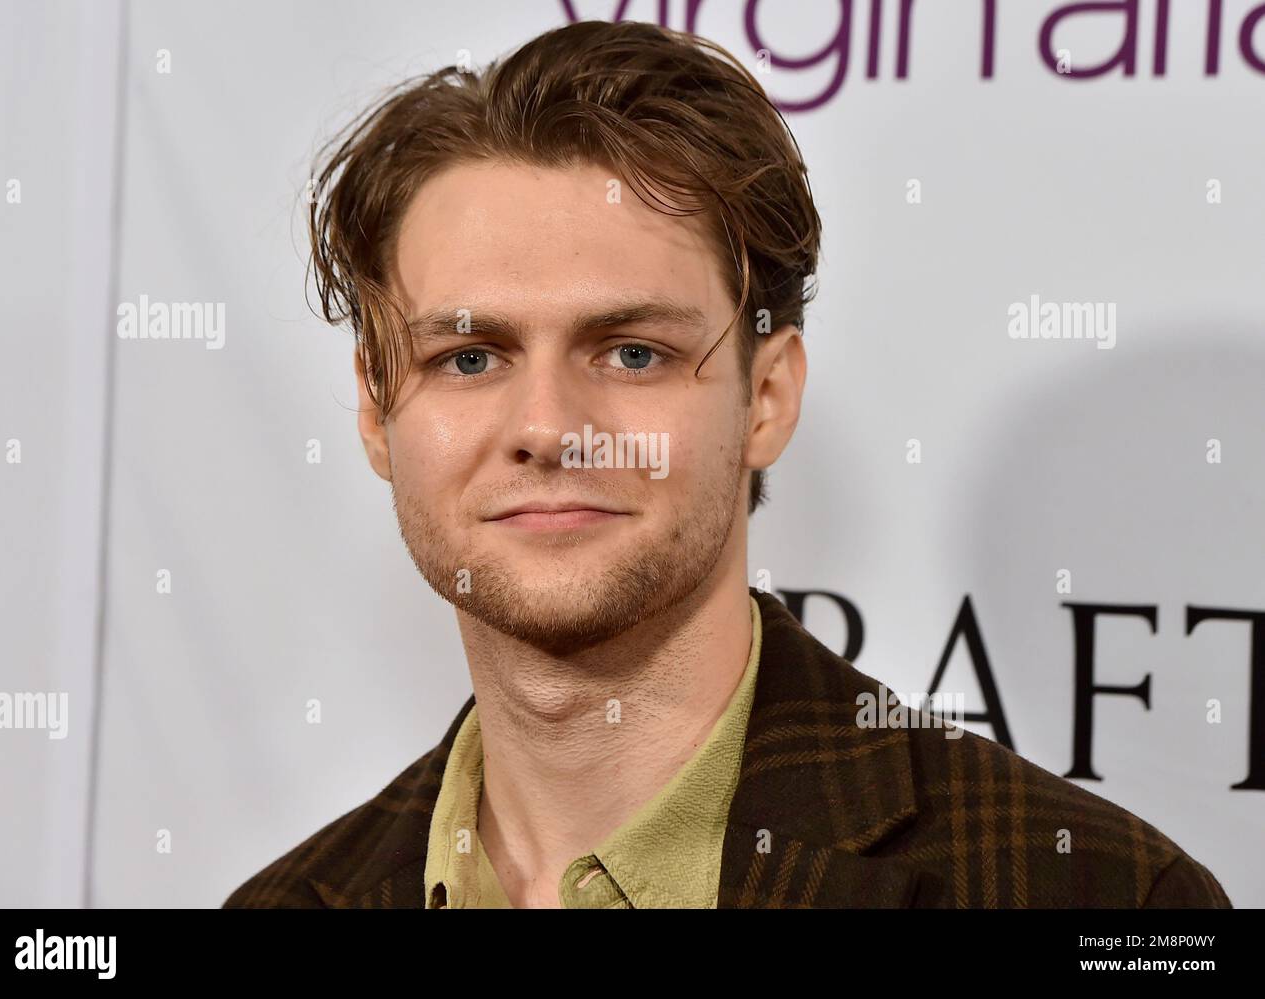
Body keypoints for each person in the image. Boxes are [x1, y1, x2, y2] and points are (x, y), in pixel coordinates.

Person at [223, 19, 1230, 908]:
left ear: (765, 398)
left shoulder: (1094, 897)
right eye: (469, 357)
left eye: (631, 353)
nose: (548, 426)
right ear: (373, 406)